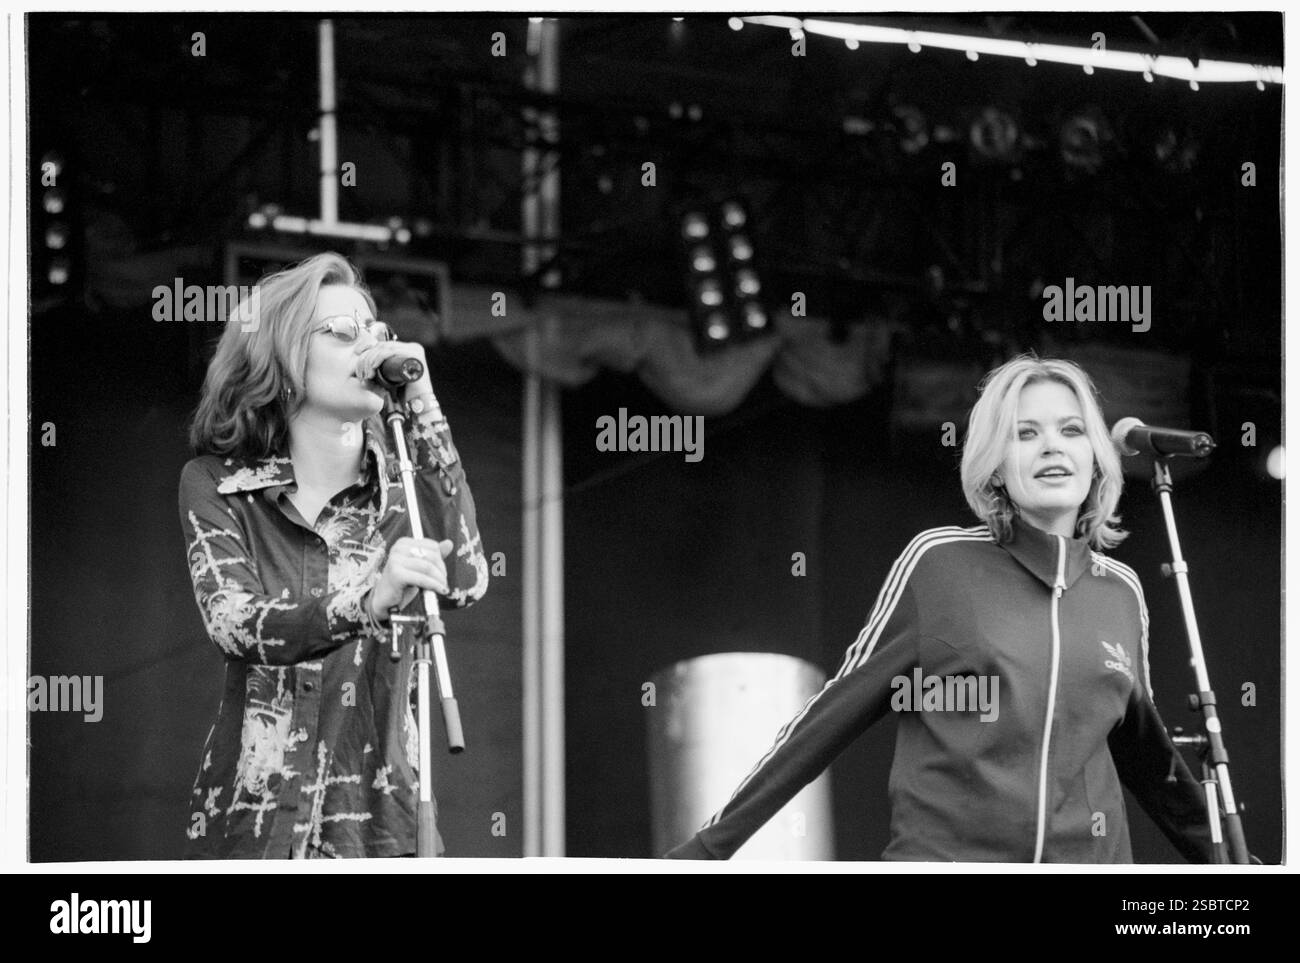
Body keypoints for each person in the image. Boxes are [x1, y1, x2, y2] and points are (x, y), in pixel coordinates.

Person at [666, 354, 1215, 863]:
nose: (1053, 447)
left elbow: (1148, 758)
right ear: (996, 466)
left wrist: (1236, 868)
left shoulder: (1121, 591)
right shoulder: (940, 563)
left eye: (1072, 431)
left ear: (1096, 459)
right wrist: (707, 850)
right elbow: (830, 716)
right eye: (1026, 434)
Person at [178, 252, 488, 858]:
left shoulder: (406, 492)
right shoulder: (218, 485)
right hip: (254, 825)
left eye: (376, 334)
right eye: (344, 335)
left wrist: (423, 400)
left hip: (377, 831)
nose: (368, 349)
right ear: (286, 358)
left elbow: (469, 577)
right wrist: (367, 601)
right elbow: (234, 621)